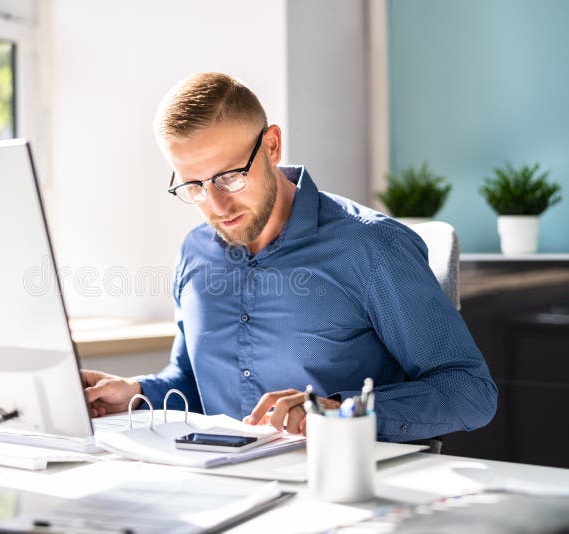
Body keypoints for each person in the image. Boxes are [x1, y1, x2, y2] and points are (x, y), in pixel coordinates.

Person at [80, 72, 497, 443]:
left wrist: (340, 412)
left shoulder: (372, 248)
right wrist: (135, 393)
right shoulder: (195, 253)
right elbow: (191, 381)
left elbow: (470, 392)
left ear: (272, 145)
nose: (216, 204)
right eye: (193, 186)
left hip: (345, 494)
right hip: (225, 491)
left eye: (230, 176)